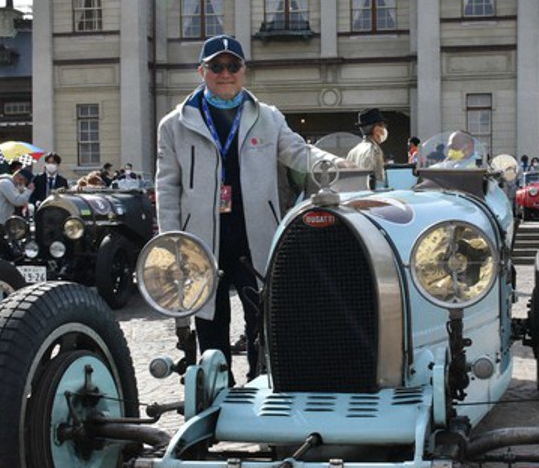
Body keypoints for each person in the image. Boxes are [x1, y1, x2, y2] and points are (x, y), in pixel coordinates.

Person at [155, 34, 341, 383]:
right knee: (210, 318)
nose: (225, 73)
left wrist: (339, 164)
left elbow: (298, 152)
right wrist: (171, 242)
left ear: (244, 71)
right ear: (202, 71)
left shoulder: (268, 117)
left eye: (233, 66)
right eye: (216, 66)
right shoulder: (175, 124)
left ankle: (261, 384)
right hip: (202, 239)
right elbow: (167, 186)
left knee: (261, 315)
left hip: (254, 234)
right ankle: (216, 388)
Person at [346, 108, 388, 187]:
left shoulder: (353, 151)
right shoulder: (375, 150)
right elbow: (379, 181)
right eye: (383, 126)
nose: (384, 129)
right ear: (376, 129)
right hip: (369, 196)